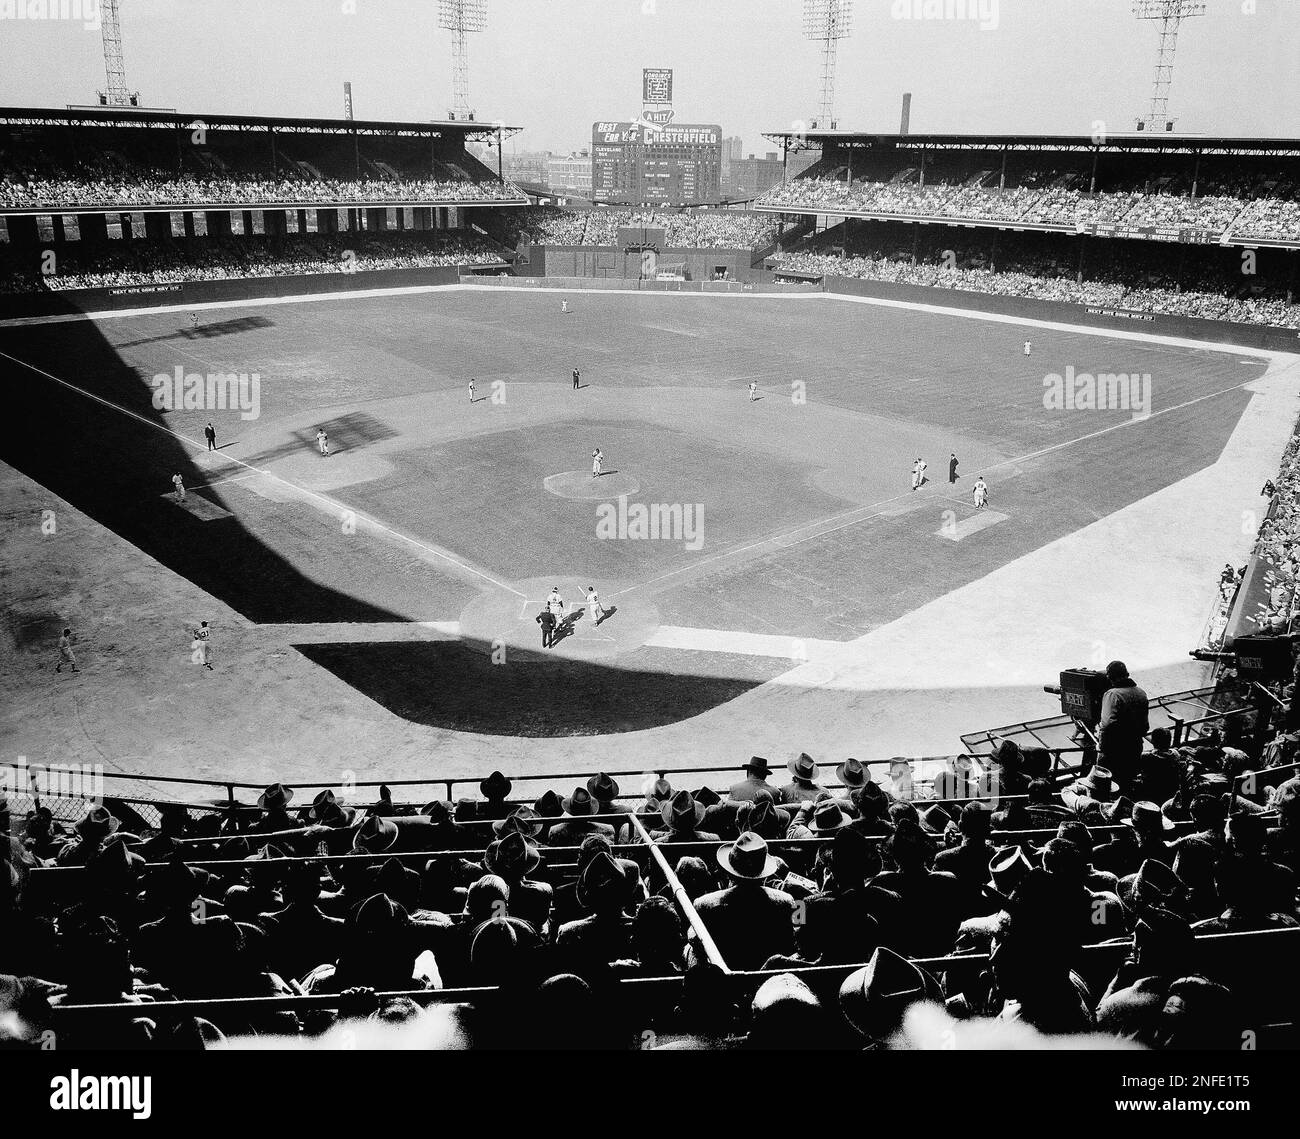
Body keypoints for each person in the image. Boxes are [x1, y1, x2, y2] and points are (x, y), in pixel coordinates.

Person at [1097, 660, 1150, 790]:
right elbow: (1145, 726)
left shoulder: (1112, 694)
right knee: (1126, 784)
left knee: (1108, 786)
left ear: (1110, 677)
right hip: (1135, 748)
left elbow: (1107, 724)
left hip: (1114, 751)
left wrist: (1101, 747)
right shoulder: (1141, 693)